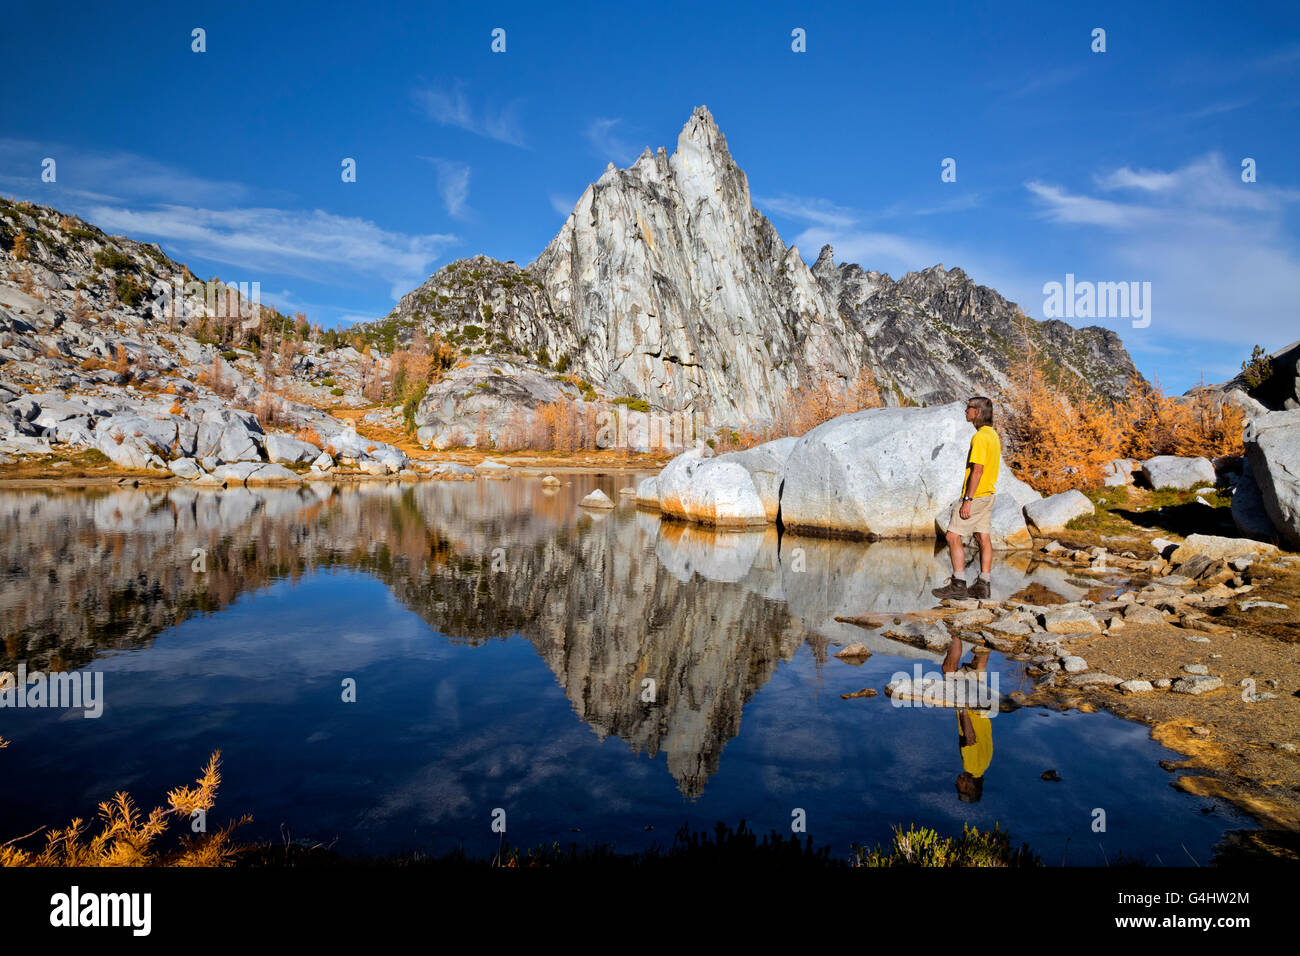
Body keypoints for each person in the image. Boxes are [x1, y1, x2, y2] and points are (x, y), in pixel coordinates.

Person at [932, 397, 1000, 600]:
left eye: (968, 408)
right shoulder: (993, 435)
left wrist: (967, 500)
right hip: (988, 494)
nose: (966, 411)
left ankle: (958, 583)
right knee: (982, 537)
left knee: (952, 535)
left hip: (976, 495)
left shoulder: (979, 438)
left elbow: (977, 471)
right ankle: (984, 584)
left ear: (978, 412)